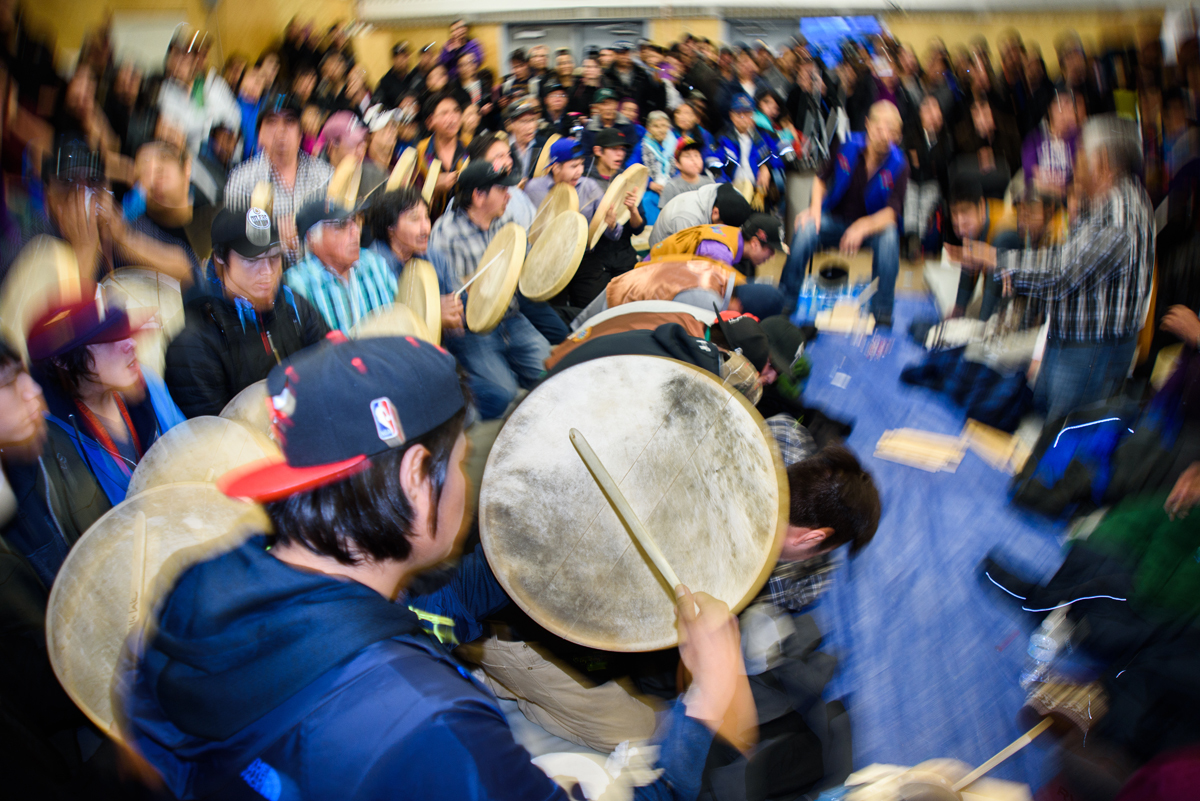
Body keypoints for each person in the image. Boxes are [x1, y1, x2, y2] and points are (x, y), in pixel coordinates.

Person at [120, 334, 739, 800]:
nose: (465, 488)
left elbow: (416, 618)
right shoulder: (434, 725)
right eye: (463, 462)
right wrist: (705, 701)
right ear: (418, 476)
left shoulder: (194, 593)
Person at [960, 116, 1153, 420]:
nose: (1074, 164)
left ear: (1100, 162)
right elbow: (1064, 260)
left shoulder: (1120, 214)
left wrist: (997, 259)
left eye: (1079, 154)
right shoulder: (1106, 202)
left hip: (1090, 352)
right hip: (1071, 342)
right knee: (1045, 420)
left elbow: (1062, 271)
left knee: (1064, 439)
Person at [164, 207, 328, 419]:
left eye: (274, 258)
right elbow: (214, 438)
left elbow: (330, 367)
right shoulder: (194, 345)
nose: (267, 272)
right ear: (220, 260)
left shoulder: (294, 306)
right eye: (252, 260)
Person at [26, 300, 185, 506]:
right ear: (63, 360)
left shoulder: (147, 383)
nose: (131, 343)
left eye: (125, 332)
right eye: (109, 338)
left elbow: (189, 449)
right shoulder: (50, 435)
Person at [427, 161, 551, 417]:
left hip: (512, 318)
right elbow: (458, 301)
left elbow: (525, 266)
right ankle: (460, 384)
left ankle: (511, 369)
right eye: (501, 190)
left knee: (550, 372)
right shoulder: (446, 233)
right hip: (474, 332)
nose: (509, 195)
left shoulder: (505, 221)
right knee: (501, 394)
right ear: (478, 195)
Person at [780, 101, 907, 327]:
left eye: (892, 131)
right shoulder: (846, 145)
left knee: (889, 238)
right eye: (880, 128)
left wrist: (861, 227)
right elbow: (820, 179)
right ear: (868, 125)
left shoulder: (900, 164)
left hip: (871, 228)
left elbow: (891, 214)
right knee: (806, 229)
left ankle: (882, 311)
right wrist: (815, 210)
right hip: (835, 220)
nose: (885, 135)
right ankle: (786, 300)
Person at [225, 93, 334, 265]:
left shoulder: (324, 175)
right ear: (259, 135)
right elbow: (232, 243)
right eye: (271, 122)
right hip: (267, 276)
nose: (280, 131)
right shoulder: (242, 181)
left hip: (319, 273)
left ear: (300, 134)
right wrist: (272, 234)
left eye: (289, 122)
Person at [285, 200, 398, 332]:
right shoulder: (298, 285)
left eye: (355, 221)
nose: (355, 231)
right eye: (342, 224)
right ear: (312, 238)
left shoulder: (374, 264)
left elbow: (400, 319)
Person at [367, 188, 463, 336]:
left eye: (426, 217)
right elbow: (383, 330)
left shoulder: (432, 254)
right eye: (415, 219)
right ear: (390, 228)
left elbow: (456, 298)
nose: (425, 228)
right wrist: (434, 314)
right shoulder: (372, 267)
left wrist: (457, 308)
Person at [946, 176, 1019, 320]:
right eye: (954, 213)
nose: (960, 222)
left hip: (1018, 300)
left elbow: (995, 286)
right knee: (965, 319)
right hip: (999, 295)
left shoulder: (1002, 228)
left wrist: (983, 323)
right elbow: (970, 267)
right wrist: (959, 309)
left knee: (977, 323)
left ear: (981, 206)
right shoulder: (975, 225)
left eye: (965, 211)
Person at [648, 213, 785, 276]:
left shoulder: (733, 234)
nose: (772, 256)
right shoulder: (721, 254)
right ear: (755, 243)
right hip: (649, 275)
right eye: (770, 250)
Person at [903, 94, 955, 259]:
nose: (932, 116)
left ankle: (918, 241)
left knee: (926, 202)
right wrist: (923, 161)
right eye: (928, 110)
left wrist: (922, 160)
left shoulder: (945, 139)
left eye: (935, 111)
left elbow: (938, 165)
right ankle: (911, 239)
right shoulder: (912, 133)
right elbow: (914, 165)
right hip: (912, 180)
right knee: (910, 199)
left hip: (933, 183)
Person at [415, 91, 470, 221]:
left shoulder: (469, 146)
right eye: (445, 113)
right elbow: (412, 194)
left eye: (456, 111)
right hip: (432, 223)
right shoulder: (420, 152)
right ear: (430, 122)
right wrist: (433, 187)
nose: (453, 118)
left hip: (466, 220)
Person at [648, 181, 754, 248]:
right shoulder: (687, 217)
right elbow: (685, 259)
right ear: (715, 212)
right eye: (722, 227)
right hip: (664, 255)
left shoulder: (733, 196)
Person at [716, 94, 781, 202]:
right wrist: (726, 187)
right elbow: (714, 164)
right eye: (738, 114)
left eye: (747, 114)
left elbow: (781, 155)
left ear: (753, 115)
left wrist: (767, 167)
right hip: (731, 191)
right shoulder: (723, 138)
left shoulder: (764, 136)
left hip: (759, 192)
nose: (743, 118)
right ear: (731, 115)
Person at [1021, 90, 1079, 203]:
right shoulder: (1034, 139)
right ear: (1050, 109)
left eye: (1067, 106)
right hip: (1039, 200)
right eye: (1059, 106)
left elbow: (1079, 178)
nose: (1064, 113)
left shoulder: (1076, 139)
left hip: (1067, 200)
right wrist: (1060, 191)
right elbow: (1034, 179)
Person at [321, 111, 387, 205]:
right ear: (332, 147)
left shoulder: (376, 178)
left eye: (363, 143)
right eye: (354, 145)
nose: (361, 152)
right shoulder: (315, 183)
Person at [659, 137, 716, 208]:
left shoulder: (710, 183)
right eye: (687, 156)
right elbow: (665, 216)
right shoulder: (671, 187)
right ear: (677, 163)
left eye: (696, 155)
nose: (694, 160)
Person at [374, 42, 422, 109]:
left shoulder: (413, 77)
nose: (402, 61)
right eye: (399, 58)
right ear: (394, 60)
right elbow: (377, 105)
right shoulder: (385, 82)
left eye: (405, 57)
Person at [505, 99, 541, 182]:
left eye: (532, 120)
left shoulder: (544, 145)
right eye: (524, 121)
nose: (530, 127)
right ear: (511, 124)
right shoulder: (504, 147)